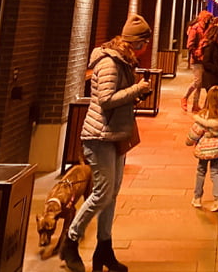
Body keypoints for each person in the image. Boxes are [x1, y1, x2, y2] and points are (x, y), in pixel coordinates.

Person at [60, 14, 152, 272]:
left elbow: (116, 100)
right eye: (145, 42)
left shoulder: (124, 61)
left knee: (111, 194)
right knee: (102, 192)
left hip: (116, 134)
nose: (145, 48)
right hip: (99, 136)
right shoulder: (110, 63)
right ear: (136, 42)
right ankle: (70, 240)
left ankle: (104, 249)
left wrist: (137, 94)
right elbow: (106, 99)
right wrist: (137, 90)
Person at [185, 85, 218, 211]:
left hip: (205, 149)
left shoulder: (204, 116)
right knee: (215, 172)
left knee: (201, 171)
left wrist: (188, 141)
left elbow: (195, 133)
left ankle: (197, 197)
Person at [181, 9, 212, 112]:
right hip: (196, 59)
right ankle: (185, 97)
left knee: (200, 83)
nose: (208, 21)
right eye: (207, 19)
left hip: (205, 58)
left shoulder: (208, 28)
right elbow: (190, 44)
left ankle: (195, 104)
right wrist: (196, 53)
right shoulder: (195, 29)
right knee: (197, 82)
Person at [198, 24, 218, 94]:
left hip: (212, 77)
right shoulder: (211, 46)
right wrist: (215, 69)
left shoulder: (213, 45)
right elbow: (206, 62)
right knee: (213, 99)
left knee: (211, 99)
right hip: (211, 78)